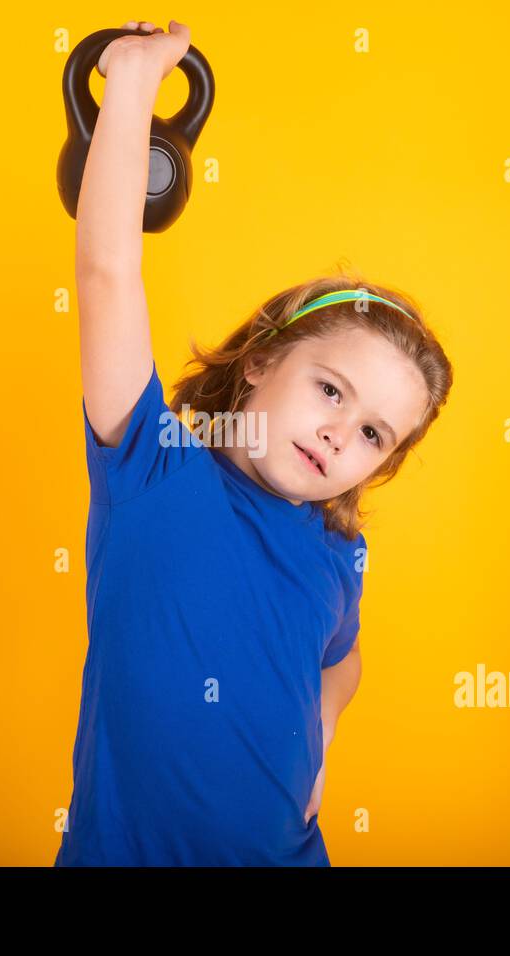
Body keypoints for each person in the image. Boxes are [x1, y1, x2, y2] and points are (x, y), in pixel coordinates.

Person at [56, 19, 454, 865]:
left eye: (373, 433)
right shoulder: (152, 462)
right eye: (330, 390)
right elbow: (106, 274)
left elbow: (341, 657)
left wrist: (326, 718)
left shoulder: (336, 550)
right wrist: (130, 84)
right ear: (265, 361)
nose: (340, 433)